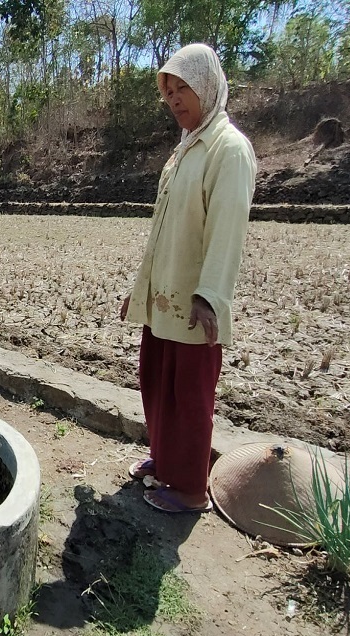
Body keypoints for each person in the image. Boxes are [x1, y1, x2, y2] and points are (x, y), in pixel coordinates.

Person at [119, 43, 257, 513]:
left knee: (189, 396)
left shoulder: (228, 149)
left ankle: (190, 489)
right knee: (156, 381)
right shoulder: (183, 151)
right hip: (164, 296)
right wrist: (140, 291)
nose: (176, 100)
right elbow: (162, 230)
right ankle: (164, 459)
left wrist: (209, 297)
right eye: (170, 92)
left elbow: (227, 230)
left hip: (194, 301)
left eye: (184, 89)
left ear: (209, 86)